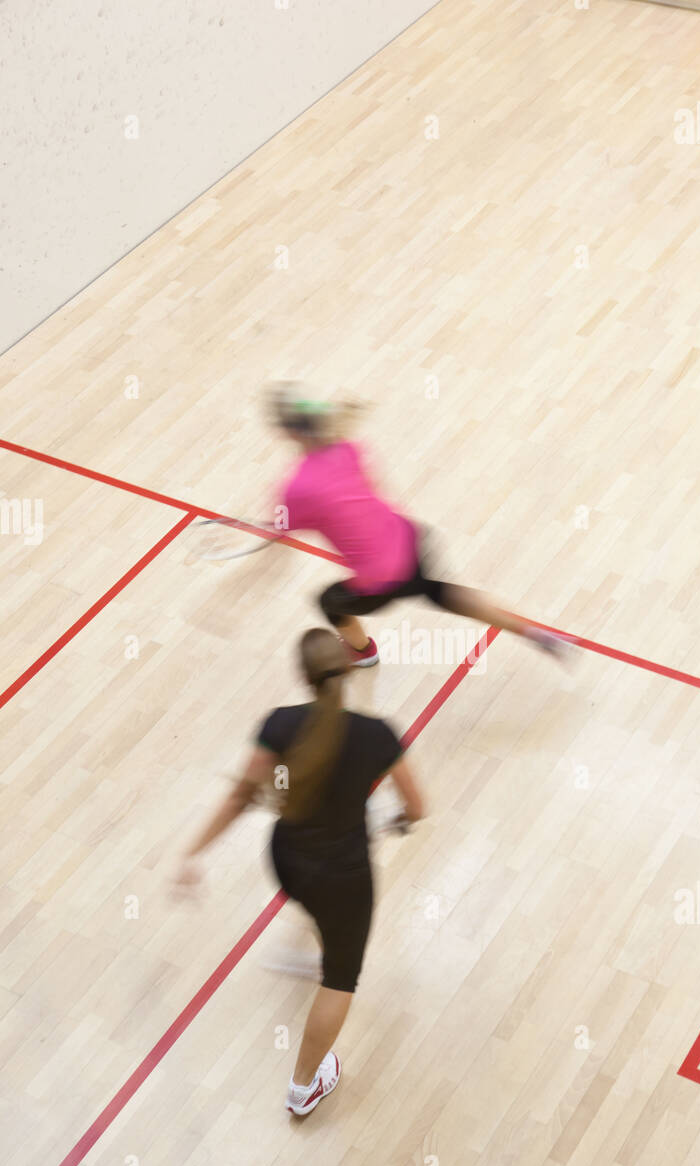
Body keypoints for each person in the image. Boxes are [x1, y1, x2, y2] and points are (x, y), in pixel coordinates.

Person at [175, 628, 424, 1115]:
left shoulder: (279, 724)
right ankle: (304, 1086)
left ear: (301, 677)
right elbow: (417, 806)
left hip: (287, 862)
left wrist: (193, 853)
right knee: (340, 978)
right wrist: (399, 821)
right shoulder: (377, 736)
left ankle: (309, 942)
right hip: (345, 879)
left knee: (316, 906)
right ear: (350, 670)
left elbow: (240, 796)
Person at [266, 384, 570, 667]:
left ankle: (363, 652)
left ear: (288, 433)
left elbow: (280, 529)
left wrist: (270, 528)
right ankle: (535, 633)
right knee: (442, 593)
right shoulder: (349, 449)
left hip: (383, 576)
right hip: (411, 537)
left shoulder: (296, 489)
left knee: (330, 602)